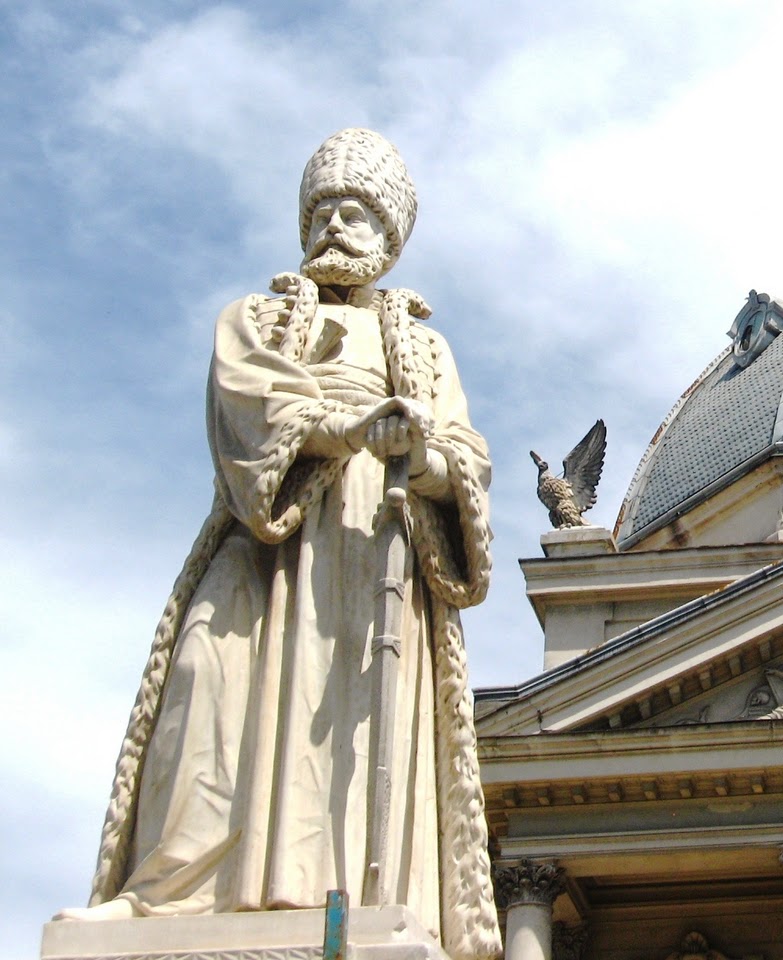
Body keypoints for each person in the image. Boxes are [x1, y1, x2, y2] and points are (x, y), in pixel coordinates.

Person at [61, 129, 500, 960]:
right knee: (204, 679)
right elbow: (247, 410)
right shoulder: (256, 319)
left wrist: (428, 459)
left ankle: (343, 895)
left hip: (375, 545)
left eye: (358, 214)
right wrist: (343, 423)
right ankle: (168, 889)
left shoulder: (425, 348)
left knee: (351, 724)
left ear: (390, 237)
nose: (338, 226)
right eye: (325, 211)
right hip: (270, 539)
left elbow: (466, 455)